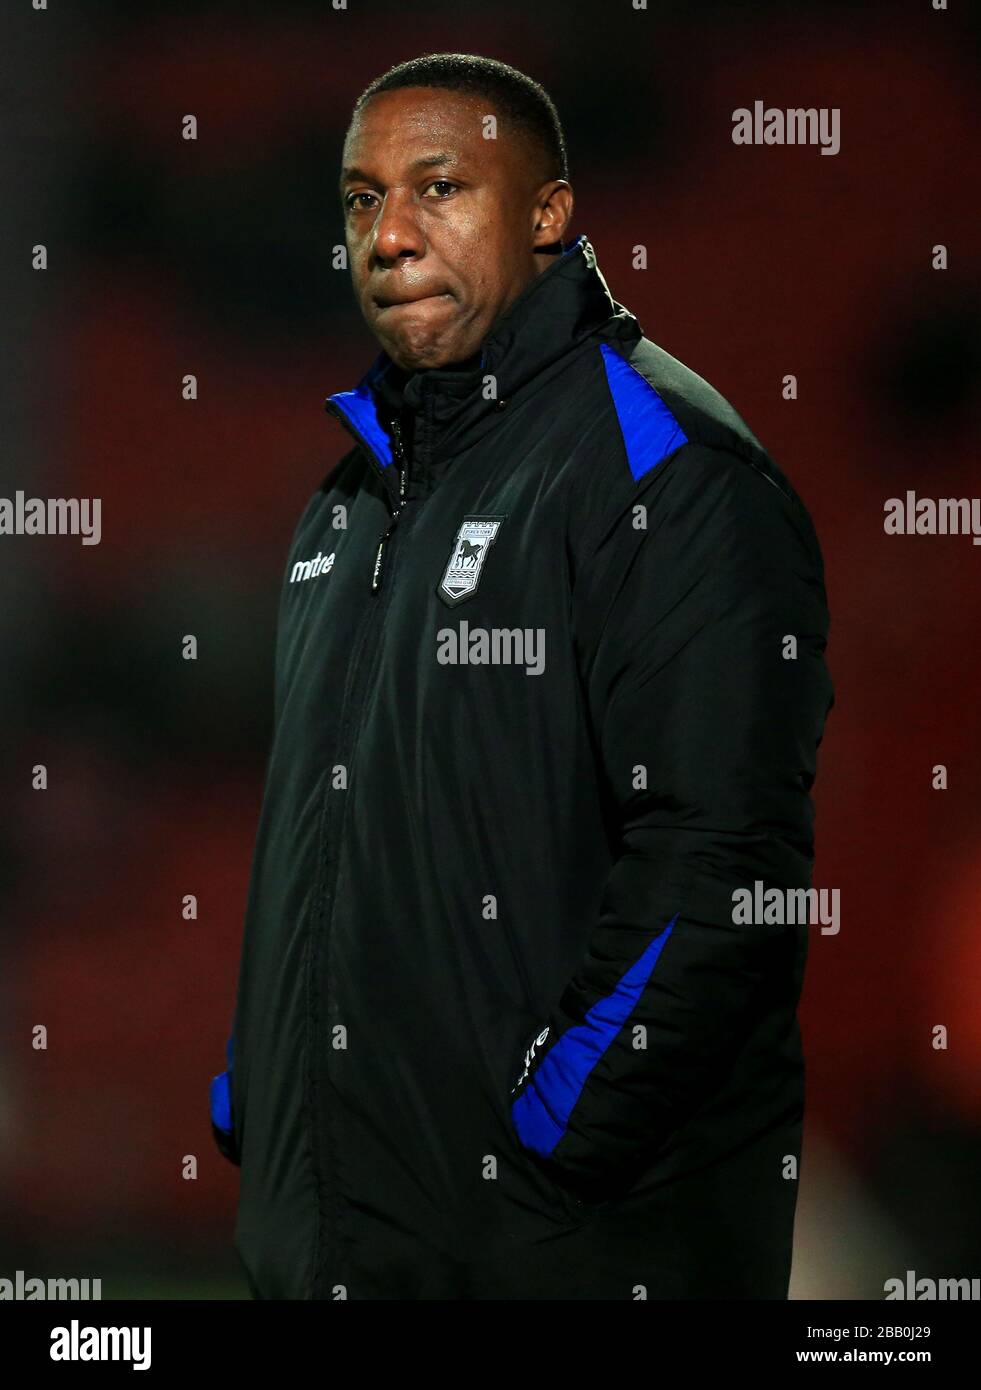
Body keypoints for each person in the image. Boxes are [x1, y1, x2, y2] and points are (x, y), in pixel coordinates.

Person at [210, 52, 834, 1300]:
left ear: (548, 213)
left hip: (562, 1256)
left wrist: (546, 1140)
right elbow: (321, 842)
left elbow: (725, 869)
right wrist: (262, 1094)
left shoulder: (668, 470)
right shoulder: (348, 502)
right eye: (358, 199)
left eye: (439, 187)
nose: (388, 234)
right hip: (336, 1248)